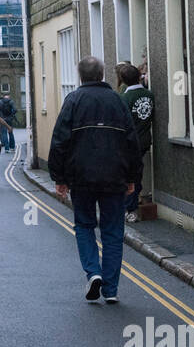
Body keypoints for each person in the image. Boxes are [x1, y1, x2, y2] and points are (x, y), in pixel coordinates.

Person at [49, 56, 143, 304]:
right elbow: (132, 141)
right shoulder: (117, 101)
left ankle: (93, 272)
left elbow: (59, 140)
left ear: (80, 76)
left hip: (81, 177)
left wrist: (59, 177)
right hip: (115, 177)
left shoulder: (73, 100)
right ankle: (111, 289)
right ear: (102, 75)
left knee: (84, 226)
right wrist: (133, 177)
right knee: (113, 232)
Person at [117, 62, 154, 224]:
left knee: (129, 177)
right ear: (139, 77)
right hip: (144, 141)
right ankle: (131, 206)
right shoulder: (149, 95)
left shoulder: (124, 98)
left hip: (129, 144)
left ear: (123, 81)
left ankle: (130, 210)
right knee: (137, 175)